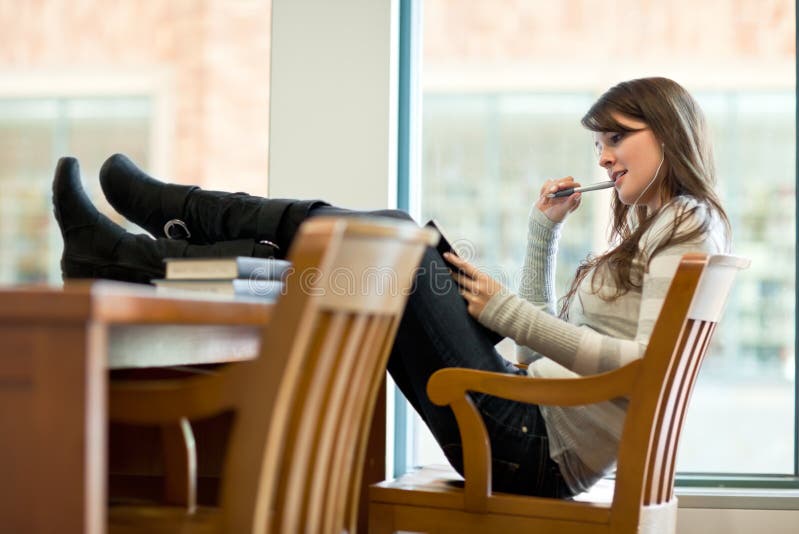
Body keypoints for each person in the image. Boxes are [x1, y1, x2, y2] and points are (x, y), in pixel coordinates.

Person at [51, 77, 729, 498]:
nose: (604, 156)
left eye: (617, 137)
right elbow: (538, 349)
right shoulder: (654, 226)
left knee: (392, 245)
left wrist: (507, 312)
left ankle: (169, 234)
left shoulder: (687, 223)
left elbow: (643, 365)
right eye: (598, 144)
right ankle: (147, 256)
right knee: (359, 258)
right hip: (531, 428)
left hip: (529, 451)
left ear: (667, 134)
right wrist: (542, 234)